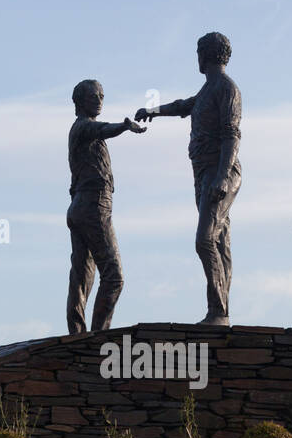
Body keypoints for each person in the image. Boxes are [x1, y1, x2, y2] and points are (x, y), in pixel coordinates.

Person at [135, 32, 241, 326]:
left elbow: (232, 134)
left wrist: (222, 177)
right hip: (204, 172)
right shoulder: (207, 90)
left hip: (220, 171)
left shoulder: (226, 88)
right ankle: (220, 311)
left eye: (198, 52)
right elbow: (184, 105)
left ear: (207, 54)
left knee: (205, 240)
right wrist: (153, 111)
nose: (196, 58)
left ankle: (218, 312)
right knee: (219, 240)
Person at [66, 79, 146, 335]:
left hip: (80, 207)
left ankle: (78, 335)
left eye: (102, 95)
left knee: (82, 276)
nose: (99, 99)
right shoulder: (83, 128)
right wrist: (123, 126)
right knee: (113, 276)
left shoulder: (82, 132)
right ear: (80, 101)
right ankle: (99, 337)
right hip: (92, 206)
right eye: (94, 95)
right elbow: (102, 129)